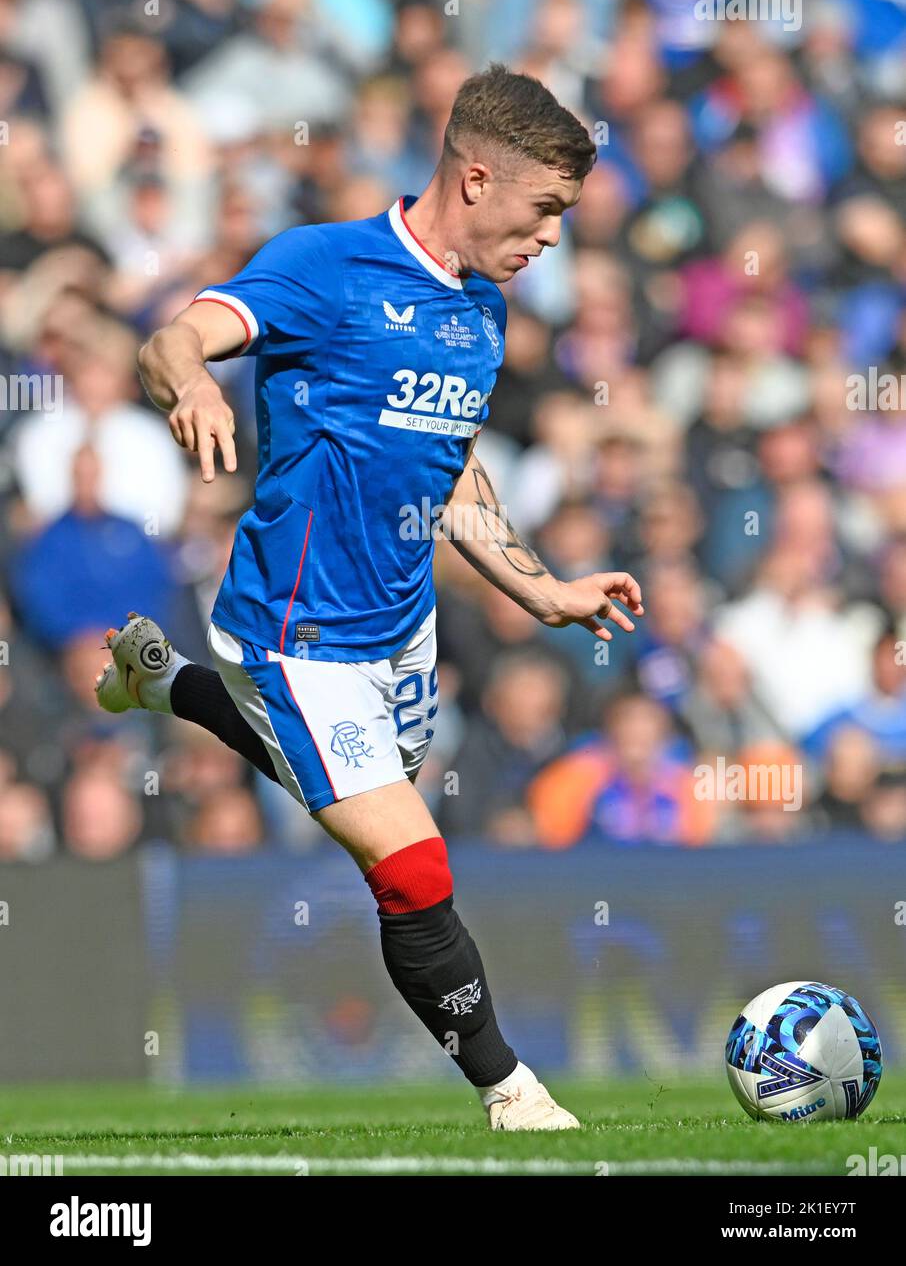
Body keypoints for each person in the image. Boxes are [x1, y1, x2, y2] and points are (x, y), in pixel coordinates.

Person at [95, 63, 645, 1130]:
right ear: (476, 179)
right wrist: (194, 381)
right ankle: (512, 1093)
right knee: (410, 861)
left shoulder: (480, 311)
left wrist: (542, 592)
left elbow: (453, 470)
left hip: (400, 629)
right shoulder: (326, 265)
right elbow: (171, 340)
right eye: (545, 210)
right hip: (294, 631)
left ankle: (164, 682)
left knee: (341, 790)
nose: (552, 238)